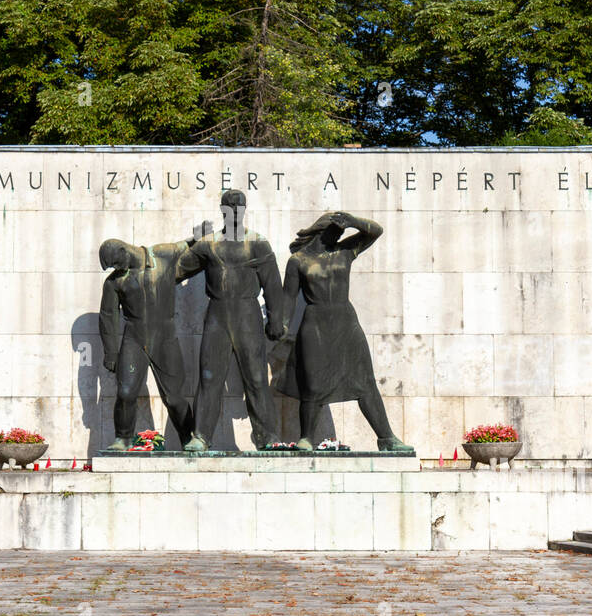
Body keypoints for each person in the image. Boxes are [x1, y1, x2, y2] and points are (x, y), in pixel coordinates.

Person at [278, 211, 414, 453]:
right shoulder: (298, 261)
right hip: (315, 324)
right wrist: (282, 325)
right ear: (322, 230)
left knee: (364, 382)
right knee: (313, 383)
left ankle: (386, 438)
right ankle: (306, 438)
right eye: (336, 230)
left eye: (342, 231)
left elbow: (376, 231)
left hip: (345, 323)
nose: (340, 234)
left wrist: (353, 222)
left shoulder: (345, 251)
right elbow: (287, 298)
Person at [175, 190, 286, 452]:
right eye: (229, 207)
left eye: (239, 207)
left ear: (244, 210)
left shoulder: (258, 243)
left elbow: (273, 285)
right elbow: (177, 270)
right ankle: (201, 436)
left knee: (257, 378)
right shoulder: (208, 244)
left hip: (248, 314)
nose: (234, 211)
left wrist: (276, 320)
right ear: (222, 210)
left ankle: (267, 437)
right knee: (209, 377)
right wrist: (190, 240)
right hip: (218, 315)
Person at [98, 238, 196, 451]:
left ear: (124, 252)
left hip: (165, 338)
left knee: (174, 397)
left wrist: (203, 236)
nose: (115, 269)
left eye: (116, 263)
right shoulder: (114, 282)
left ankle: (189, 438)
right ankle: (122, 439)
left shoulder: (162, 255)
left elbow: (188, 246)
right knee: (125, 392)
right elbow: (107, 316)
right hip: (134, 338)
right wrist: (111, 353)